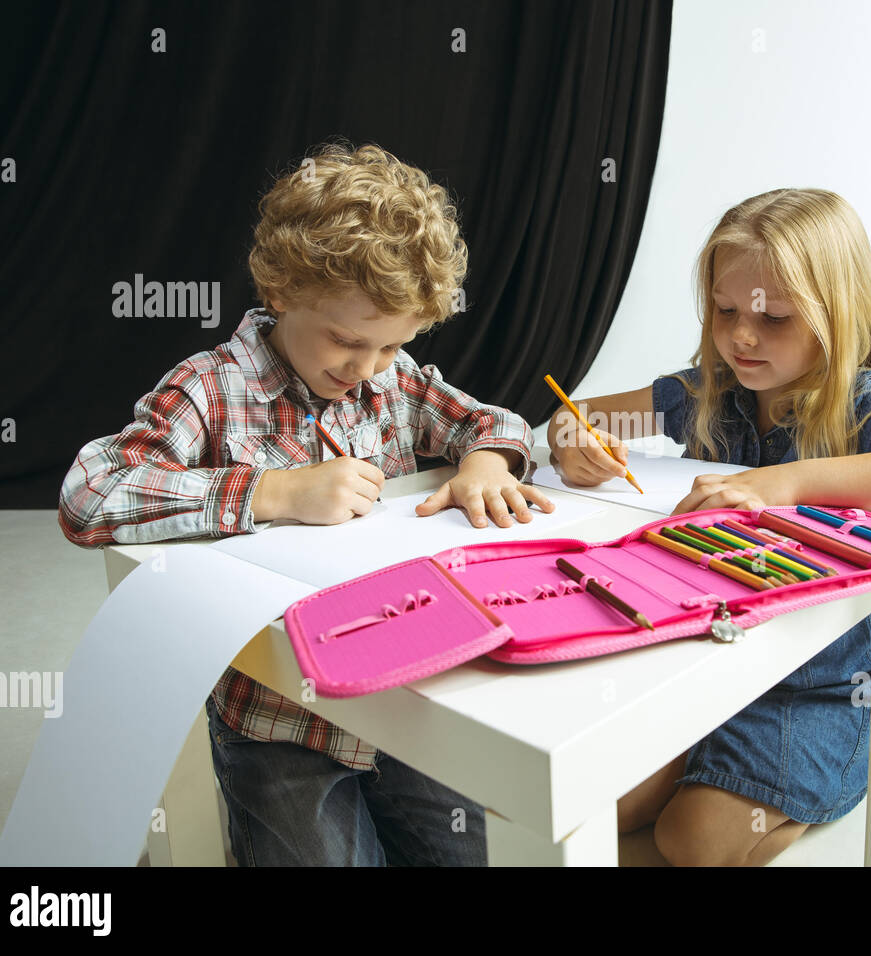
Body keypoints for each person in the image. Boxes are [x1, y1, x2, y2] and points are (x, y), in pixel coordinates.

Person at [59, 143, 555, 865]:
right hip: (277, 721)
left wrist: (484, 462)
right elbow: (90, 490)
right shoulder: (214, 386)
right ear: (285, 289)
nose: (366, 371)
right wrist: (273, 491)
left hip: (400, 699)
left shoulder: (392, 379)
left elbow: (493, 422)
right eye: (349, 341)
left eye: (391, 348)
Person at [547, 188, 871, 866]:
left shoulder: (863, 407)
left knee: (689, 839)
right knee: (606, 807)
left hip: (824, 695)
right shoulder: (709, 393)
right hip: (713, 668)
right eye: (725, 310)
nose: (741, 336)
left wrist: (781, 483)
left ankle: (828, 785)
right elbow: (579, 415)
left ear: (835, 317)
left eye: (774, 318)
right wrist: (577, 444)